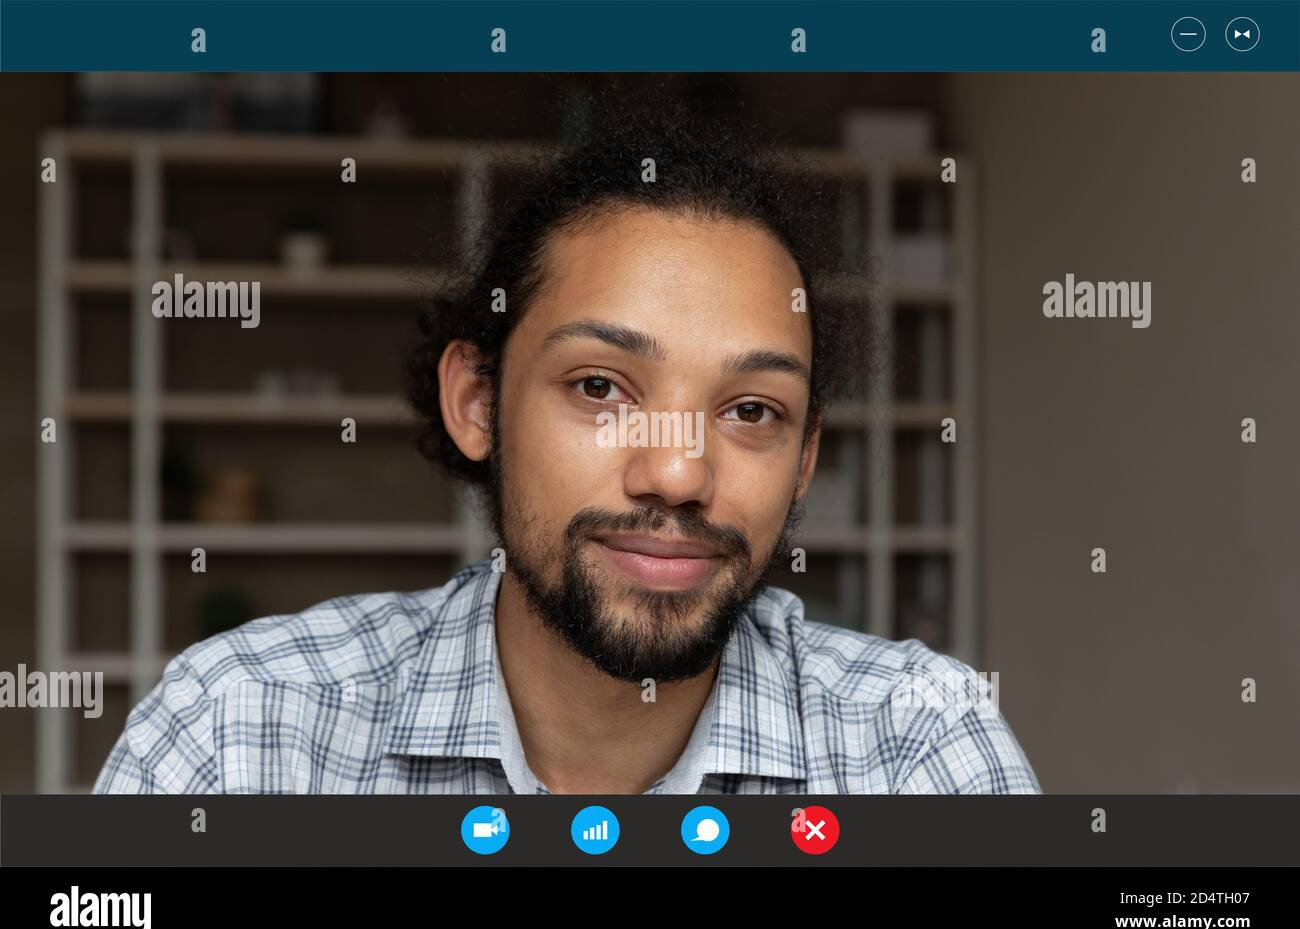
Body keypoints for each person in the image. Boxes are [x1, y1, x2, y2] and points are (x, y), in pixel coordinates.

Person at [95, 95, 1039, 796]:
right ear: (476, 400)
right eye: (600, 388)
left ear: (804, 459)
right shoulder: (246, 734)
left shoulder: (914, 748)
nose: (677, 471)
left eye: (751, 410)